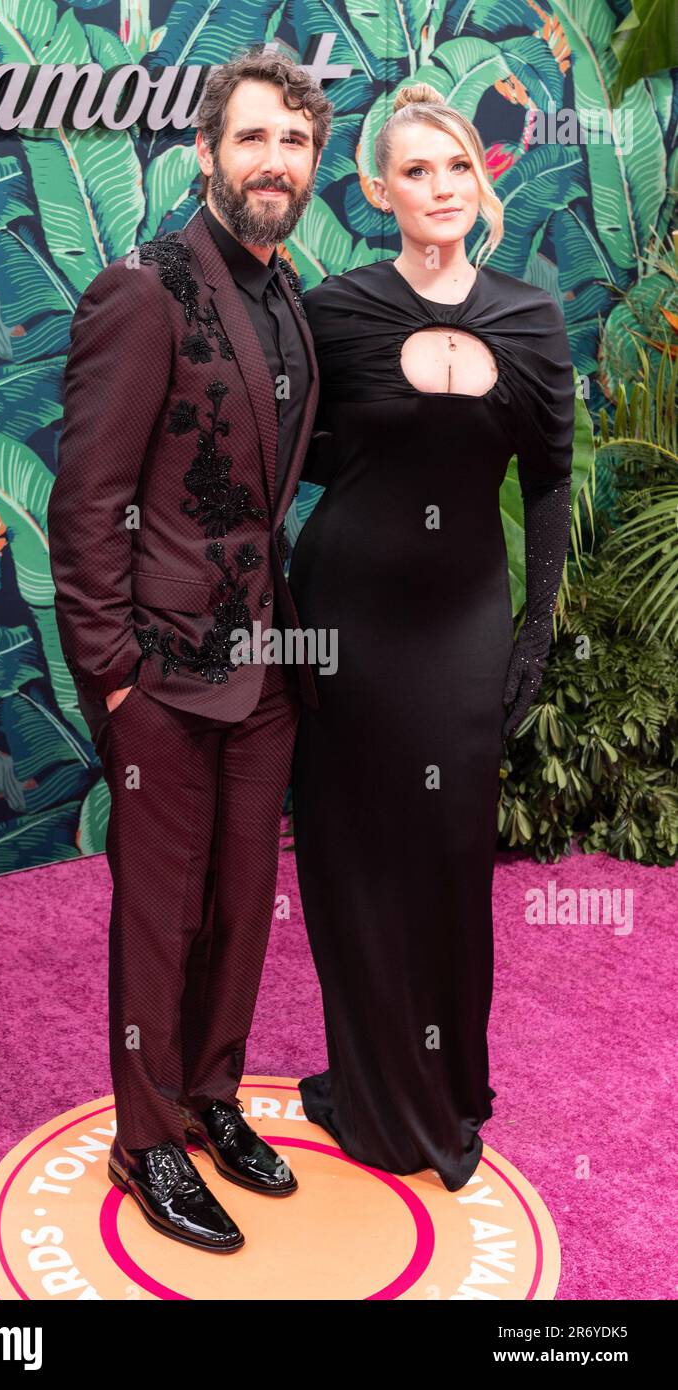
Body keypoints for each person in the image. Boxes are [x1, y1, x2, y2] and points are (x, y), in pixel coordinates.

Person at [47, 50, 333, 1252]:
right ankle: (147, 1138)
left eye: (298, 145)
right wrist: (113, 677)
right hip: (157, 673)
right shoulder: (142, 289)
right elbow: (85, 504)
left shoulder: (287, 299)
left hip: (263, 670)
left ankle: (212, 1096)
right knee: (157, 917)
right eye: (255, 138)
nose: (276, 163)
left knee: (240, 903)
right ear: (208, 151)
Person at [288, 83, 576, 1191]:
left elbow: (547, 485)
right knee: (349, 858)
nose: (441, 186)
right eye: (415, 170)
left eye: (456, 164)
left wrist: (534, 634)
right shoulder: (339, 310)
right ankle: (368, 1092)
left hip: (462, 629)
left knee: (449, 858)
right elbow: (299, 461)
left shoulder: (529, 319)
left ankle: (445, 1088)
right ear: (376, 191)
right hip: (345, 626)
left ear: (481, 177)